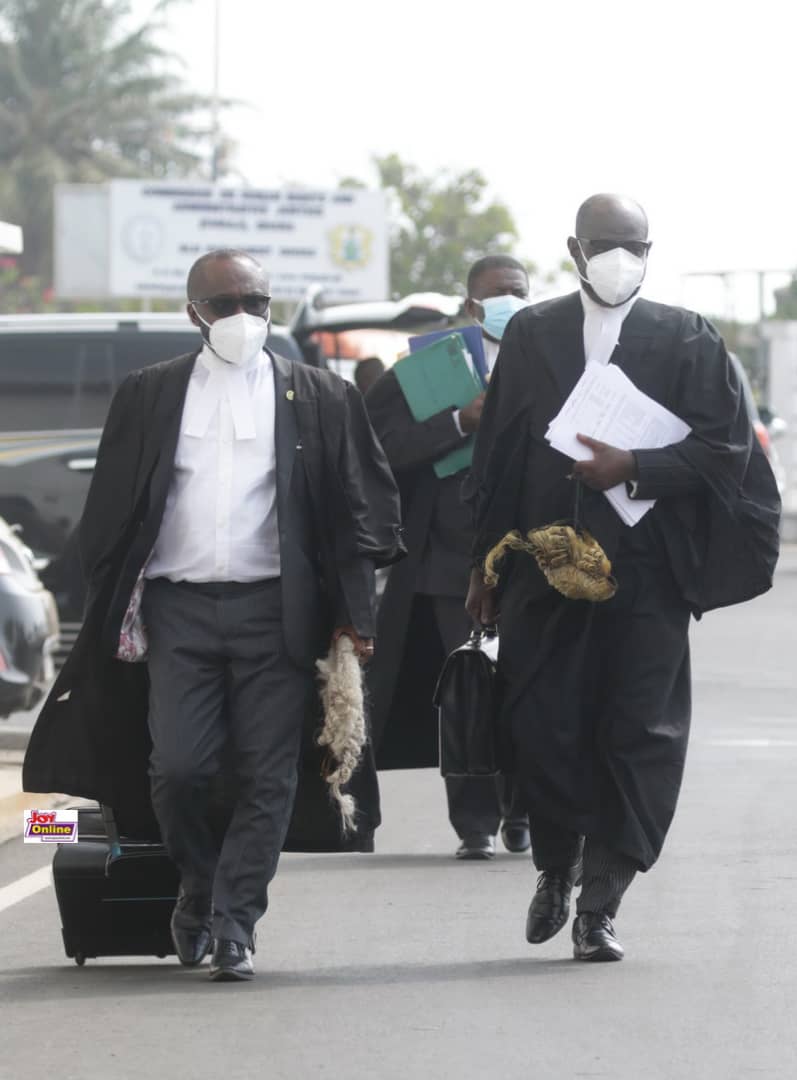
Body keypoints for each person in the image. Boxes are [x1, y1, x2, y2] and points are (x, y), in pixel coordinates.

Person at [23, 249, 404, 982]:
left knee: (268, 774)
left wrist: (353, 617)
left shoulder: (320, 396)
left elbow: (359, 513)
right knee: (182, 768)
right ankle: (197, 884)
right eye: (225, 303)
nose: (243, 318)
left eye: (256, 302)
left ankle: (234, 922)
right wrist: (92, 605)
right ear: (193, 313)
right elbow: (112, 509)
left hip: (276, 612)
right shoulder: (150, 393)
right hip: (179, 612)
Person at [465, 195, 781, 961]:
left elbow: (724, 451)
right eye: (604, 244)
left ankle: (600, 904)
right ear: (573, 250)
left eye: (631, 245)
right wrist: (483, 567)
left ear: (650, 250)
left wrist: (633, 466)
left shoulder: (685, 336)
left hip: (646, 577)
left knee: (638, 736)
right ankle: (555, 866)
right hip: (545, 572)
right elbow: (499, 459)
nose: (618, 258)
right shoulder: (536, 333)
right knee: (547, 730)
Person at [366, 254, 531, 859]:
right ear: (470, 305)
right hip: (446, 563)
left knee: (526, 691)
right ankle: (476, 825)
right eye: (495, 294)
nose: (508, 302)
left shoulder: (550, 357)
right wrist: (460, 420)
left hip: (530, 556)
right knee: (467, 696)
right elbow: (379, 448)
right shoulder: (426, 369)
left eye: (518, 291)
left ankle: (523, 810)